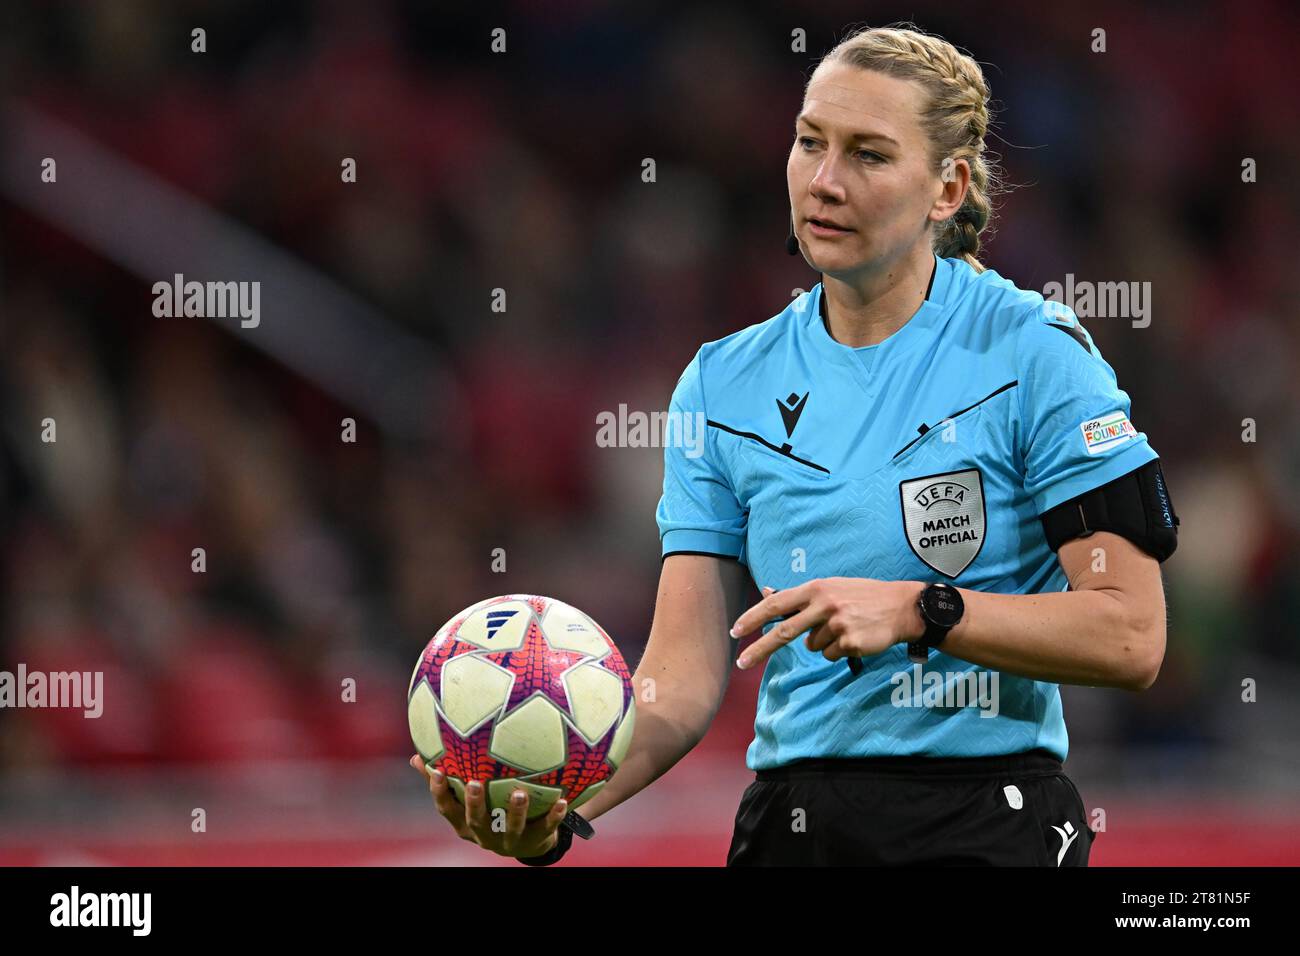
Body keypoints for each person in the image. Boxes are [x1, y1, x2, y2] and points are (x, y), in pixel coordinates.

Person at [411, 22, 1179, 866]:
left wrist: (922, 610)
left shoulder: (1036, 354)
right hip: (793, 827)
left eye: (869, 155)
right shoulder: (721, 384)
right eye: (810, 141)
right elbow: (681, 682)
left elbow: (1130, 636)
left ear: (948, 187)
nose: (824, 180)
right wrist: (557, 806)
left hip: (987, 821)